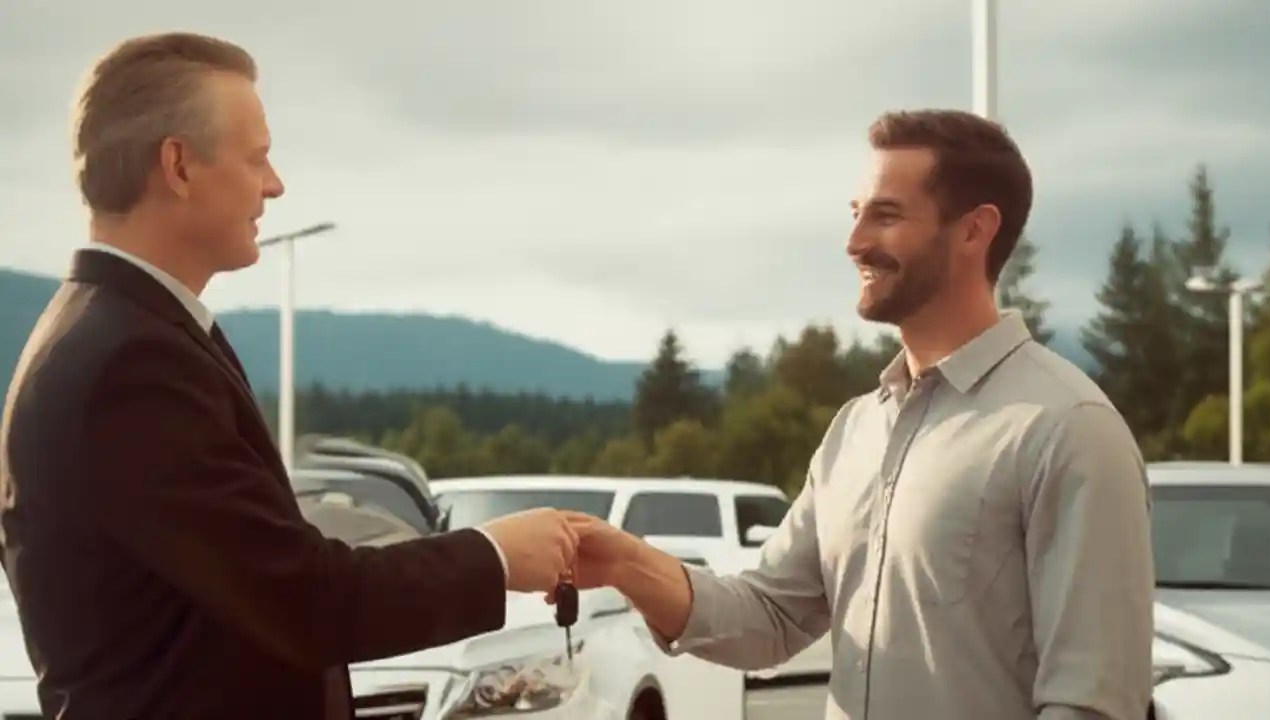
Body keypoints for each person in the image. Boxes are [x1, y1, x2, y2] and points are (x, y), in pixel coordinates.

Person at [0, 32, 577, 719]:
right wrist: (496, 555)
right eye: (258, 157)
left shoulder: (115, 331)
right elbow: (302, 598)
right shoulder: (128, 362)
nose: (275, 185)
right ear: (179, 166)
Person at [563, 109, 1155, 720]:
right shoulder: (855, 430)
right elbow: (769, 616)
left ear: (975, 230)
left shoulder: (1069, 428)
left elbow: (1093, 703)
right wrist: (621, 561)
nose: (855, 243)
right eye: (856, 214)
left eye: (887, 215)